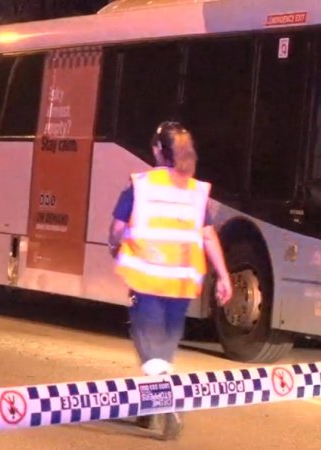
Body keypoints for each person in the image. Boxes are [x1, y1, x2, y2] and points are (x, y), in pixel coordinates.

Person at [107, 121, 233, 440]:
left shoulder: (141, 184)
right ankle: (150, 409)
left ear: (156, 151)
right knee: (164, 346)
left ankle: (168, 407)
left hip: (149, 279)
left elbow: (117, 230)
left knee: (148, 345)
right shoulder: (195, 191)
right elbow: (208, 236)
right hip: (181, 284)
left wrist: (115, 248)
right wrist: (224, 277)